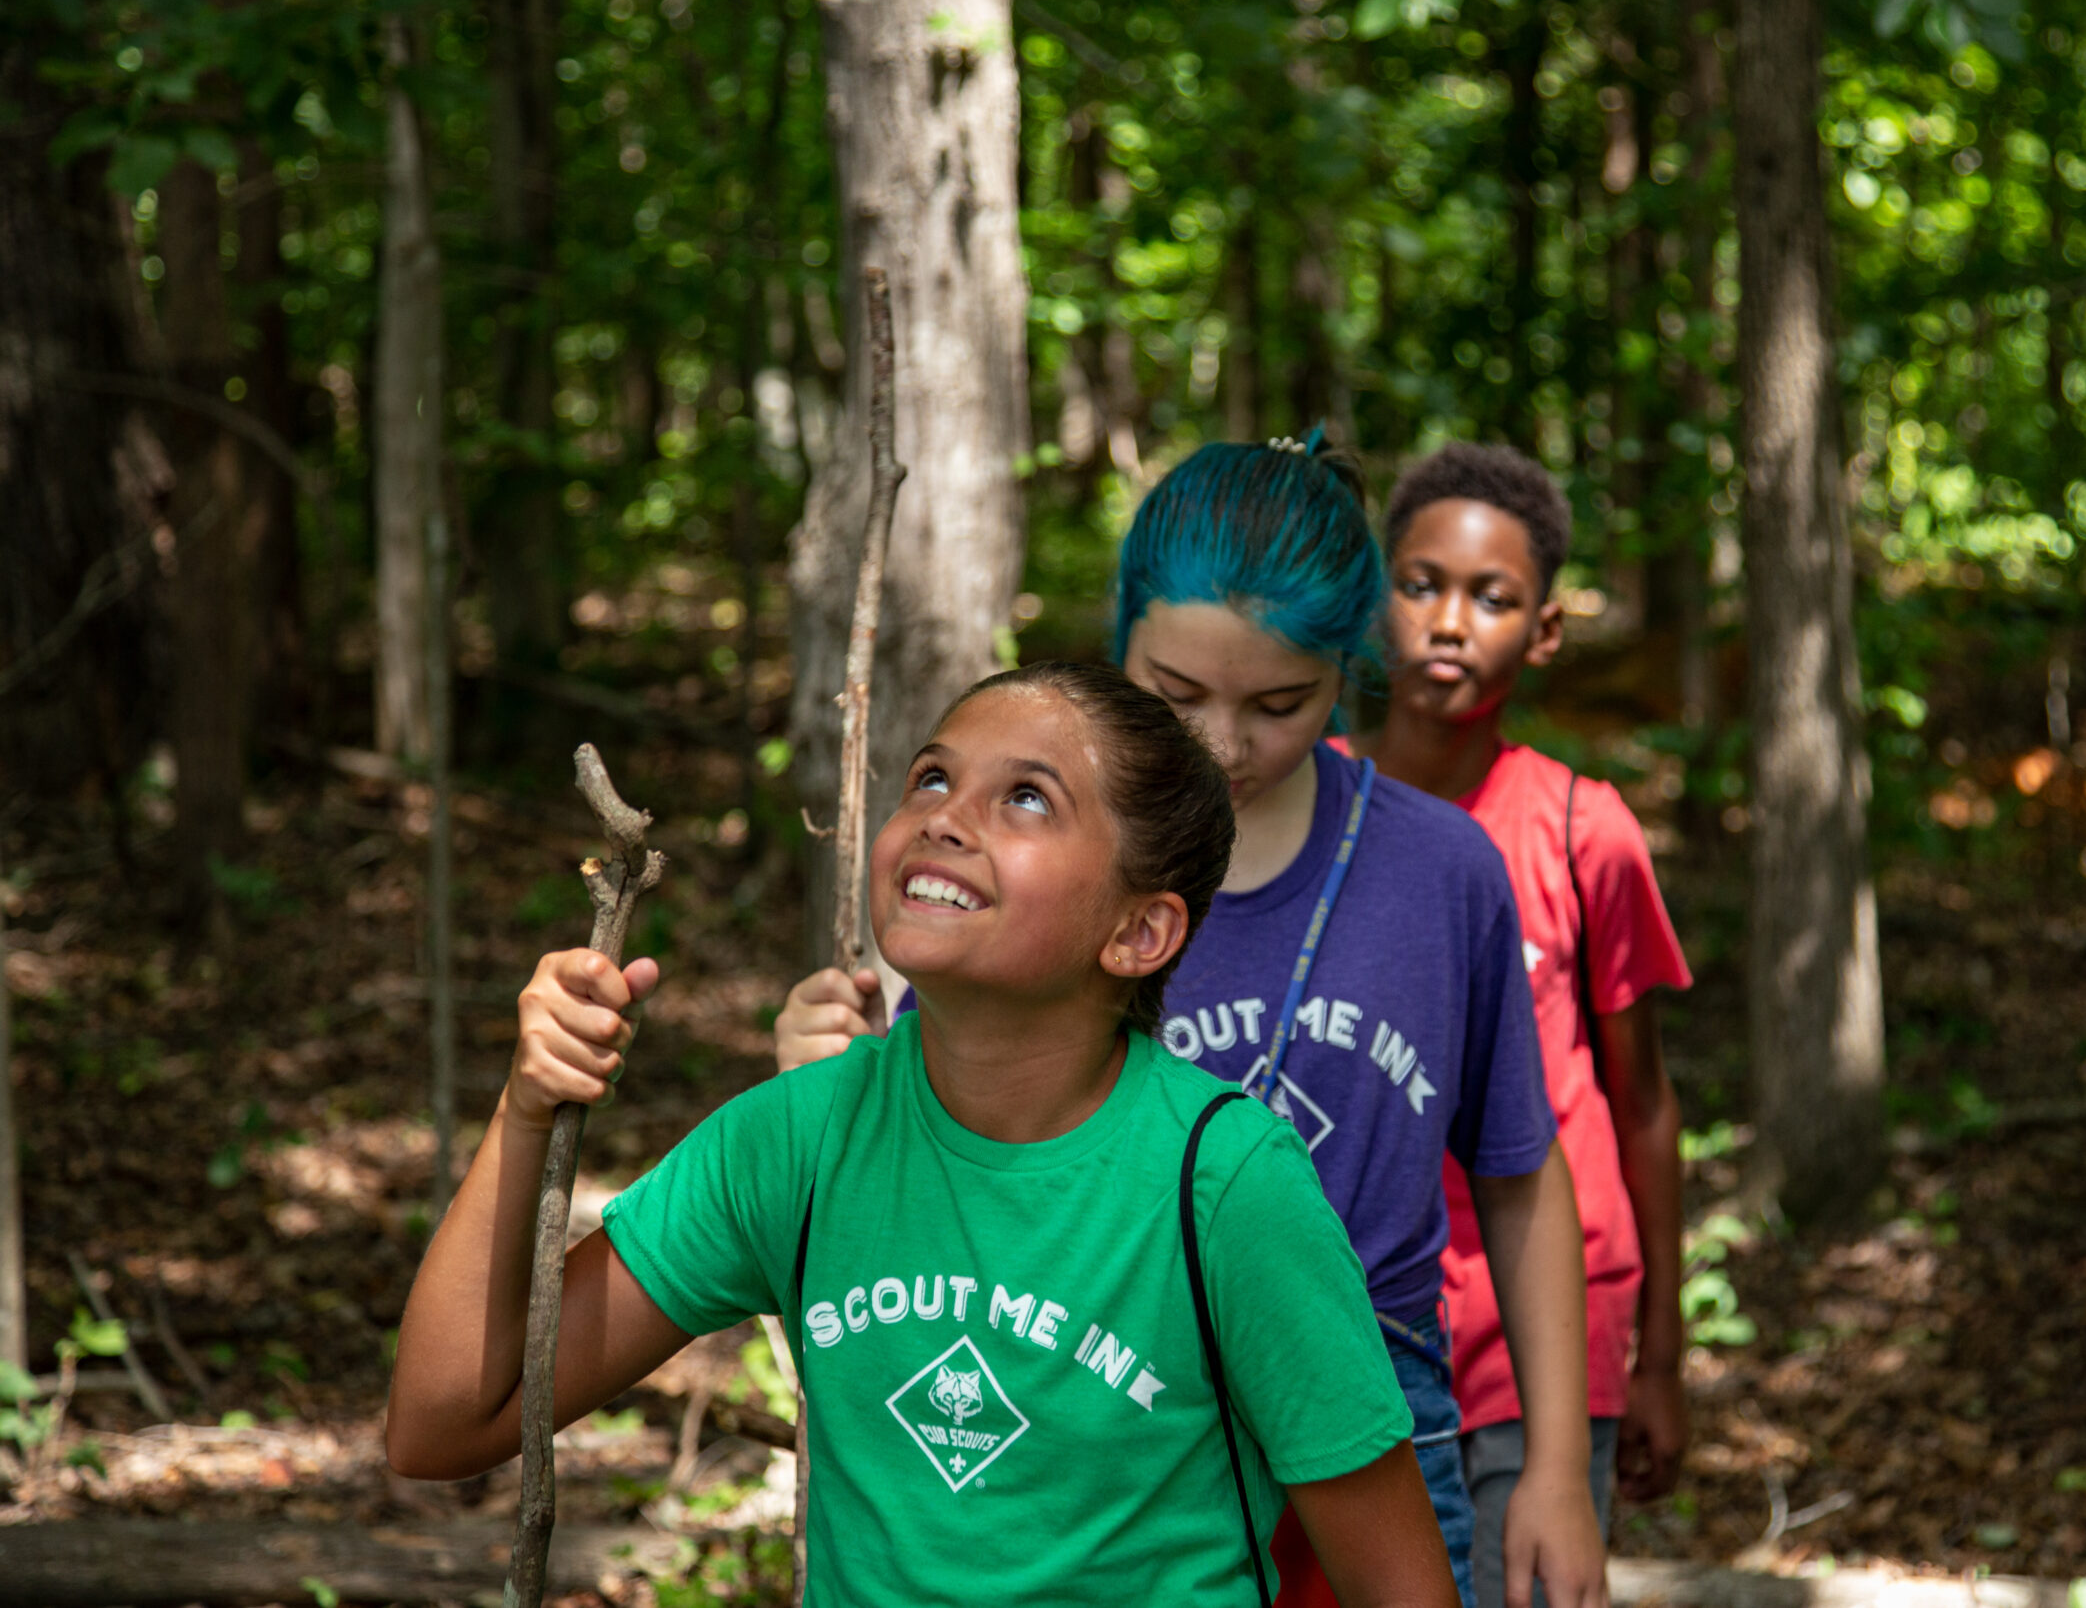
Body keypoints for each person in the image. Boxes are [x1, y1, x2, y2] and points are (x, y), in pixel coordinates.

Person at [386, 661, 1460, 1608]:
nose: (947, 816)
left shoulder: (1223, 1183)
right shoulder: (797, 1142)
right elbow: (444, 1426)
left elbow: (1399, 1587)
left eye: (1026, 799)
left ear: (1139, 931)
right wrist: (528, 1106)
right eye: (932, 778)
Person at [781, 440, 1607, 1608]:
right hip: (1112, 1415)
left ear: (1345, 672)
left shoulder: (1441, 873)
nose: (1223, 743)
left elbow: (1520, 1178)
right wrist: (829, 1083)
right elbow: (942, 1160)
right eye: (1176, 696)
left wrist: (1558, 1471)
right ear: (1120, 645)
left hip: (1381, 1415)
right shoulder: (1048, 879)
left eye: (1280, 703)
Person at [1351, 443, 1695, 1608]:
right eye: (1419, 583)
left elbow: (1641, 1103)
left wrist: (1662, 1359)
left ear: (1542, 631)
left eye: (1491, 599)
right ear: (1371, 595)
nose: (1449, 621)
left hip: (1543, 1342)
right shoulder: (1307, 819)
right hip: (1355, 1330)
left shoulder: (1578, 832)